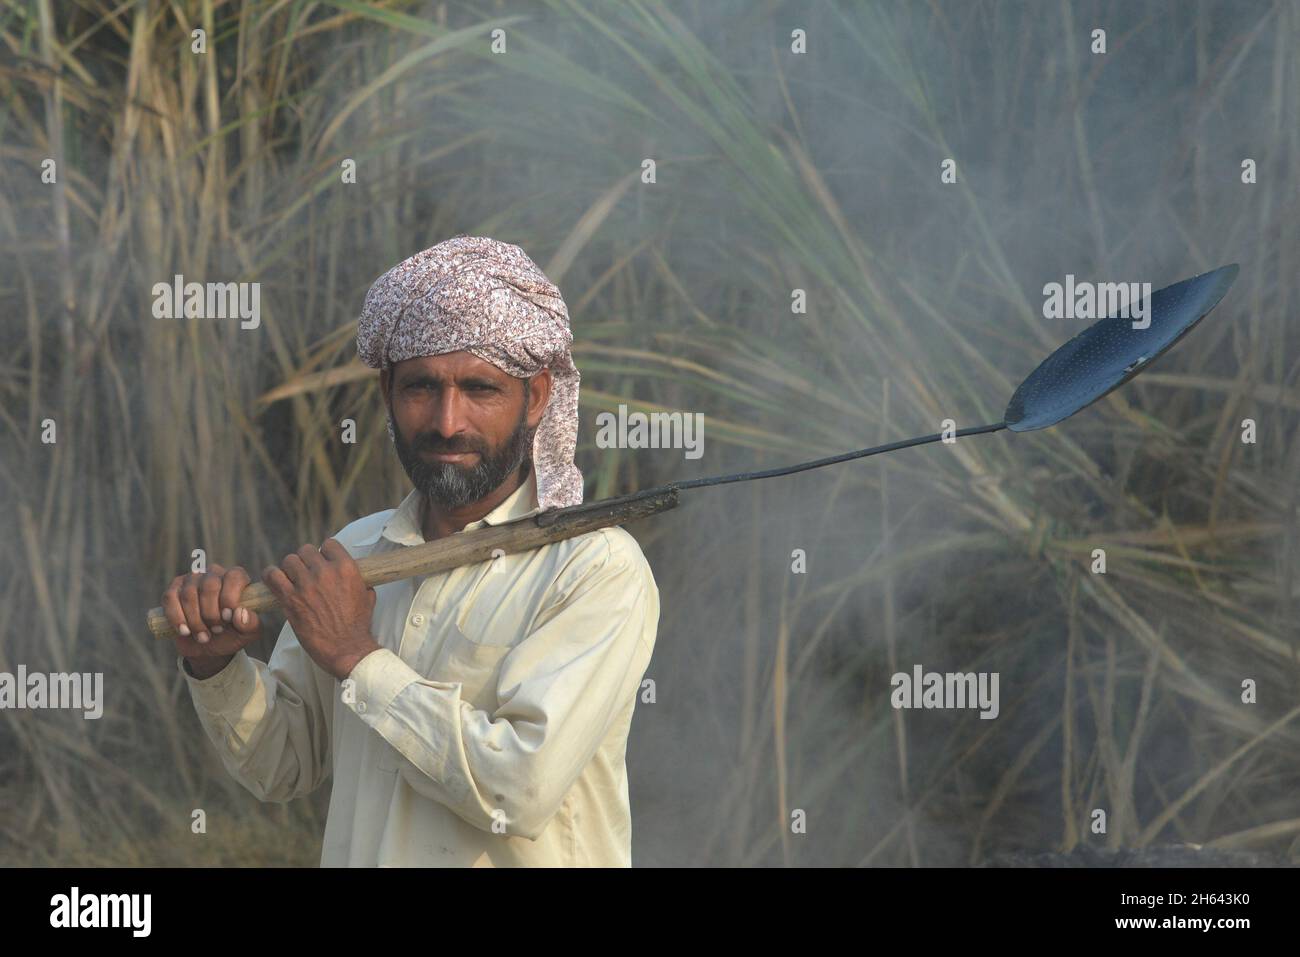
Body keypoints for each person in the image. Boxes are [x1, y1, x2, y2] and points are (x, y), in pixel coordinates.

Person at [161, 235, 660, 866]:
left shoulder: (594, 569)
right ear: (387, 395)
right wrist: (216, 667)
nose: (448, 422)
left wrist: (355, 656)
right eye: (422, 387)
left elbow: (518, 789)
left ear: (536, 397)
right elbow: (283, 766)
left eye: (480, 389)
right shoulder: (356, 552)